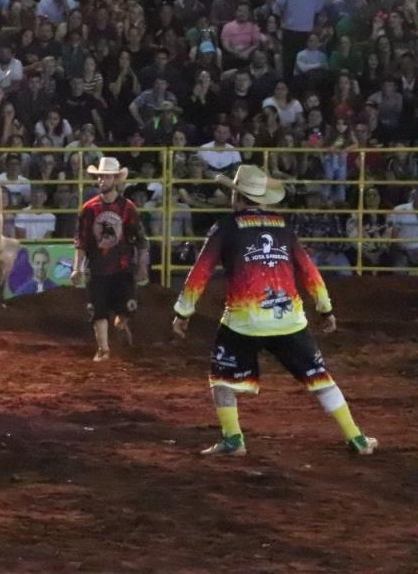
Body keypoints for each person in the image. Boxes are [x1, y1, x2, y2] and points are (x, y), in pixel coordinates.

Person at [172, 165, 378, 457]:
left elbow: (200, 272)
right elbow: (309, 270)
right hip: (289, 319)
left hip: (244, 321)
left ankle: (233, 439)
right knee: (319, 378)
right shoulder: (284, 226)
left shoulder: (225, 227)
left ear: (236, 195)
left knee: (221, 379)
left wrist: (183, 312)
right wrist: (325, 308)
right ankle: (356, 437)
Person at [72, 157, 149, 362]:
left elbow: (141, 240)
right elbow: (81, 241)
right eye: (100, 177)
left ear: (115, 179)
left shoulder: (128, 208)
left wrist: (142, 265)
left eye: (106, 176)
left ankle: (120, 325)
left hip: (122, 267)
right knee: (97, 309)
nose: (101, 180)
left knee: (127, 308)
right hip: (97, 268)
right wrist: (76, 268)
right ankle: (103, 348)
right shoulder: (88, 209)